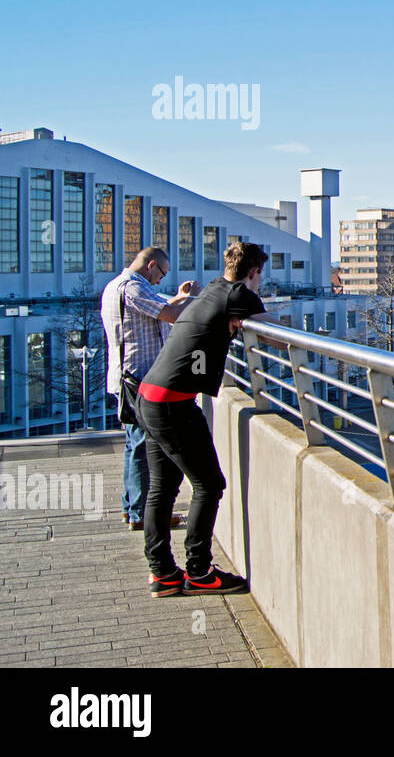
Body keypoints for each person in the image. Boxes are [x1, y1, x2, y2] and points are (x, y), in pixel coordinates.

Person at [136, 242, 275, 598]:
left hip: (149, 394)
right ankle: (199, 572)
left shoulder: (214, 288)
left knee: (162, 488)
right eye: (261, 276)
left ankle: (163, 574)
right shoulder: (241, 295)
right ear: (255, 272)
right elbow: (274, 335)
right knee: (209, 485)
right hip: (172, 404)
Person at [100, 246, 197, 531]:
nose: (160, 281)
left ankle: (131, 508)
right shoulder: (132, 289)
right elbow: (170, 315)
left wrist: (180, 296)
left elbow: (157, 309)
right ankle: (142, 513)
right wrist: (190, 300)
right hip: (139, 378)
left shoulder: (115, 286)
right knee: (144, 446)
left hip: (126, 376)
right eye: (161, 274)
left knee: (134, 444)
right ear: (151, 265)